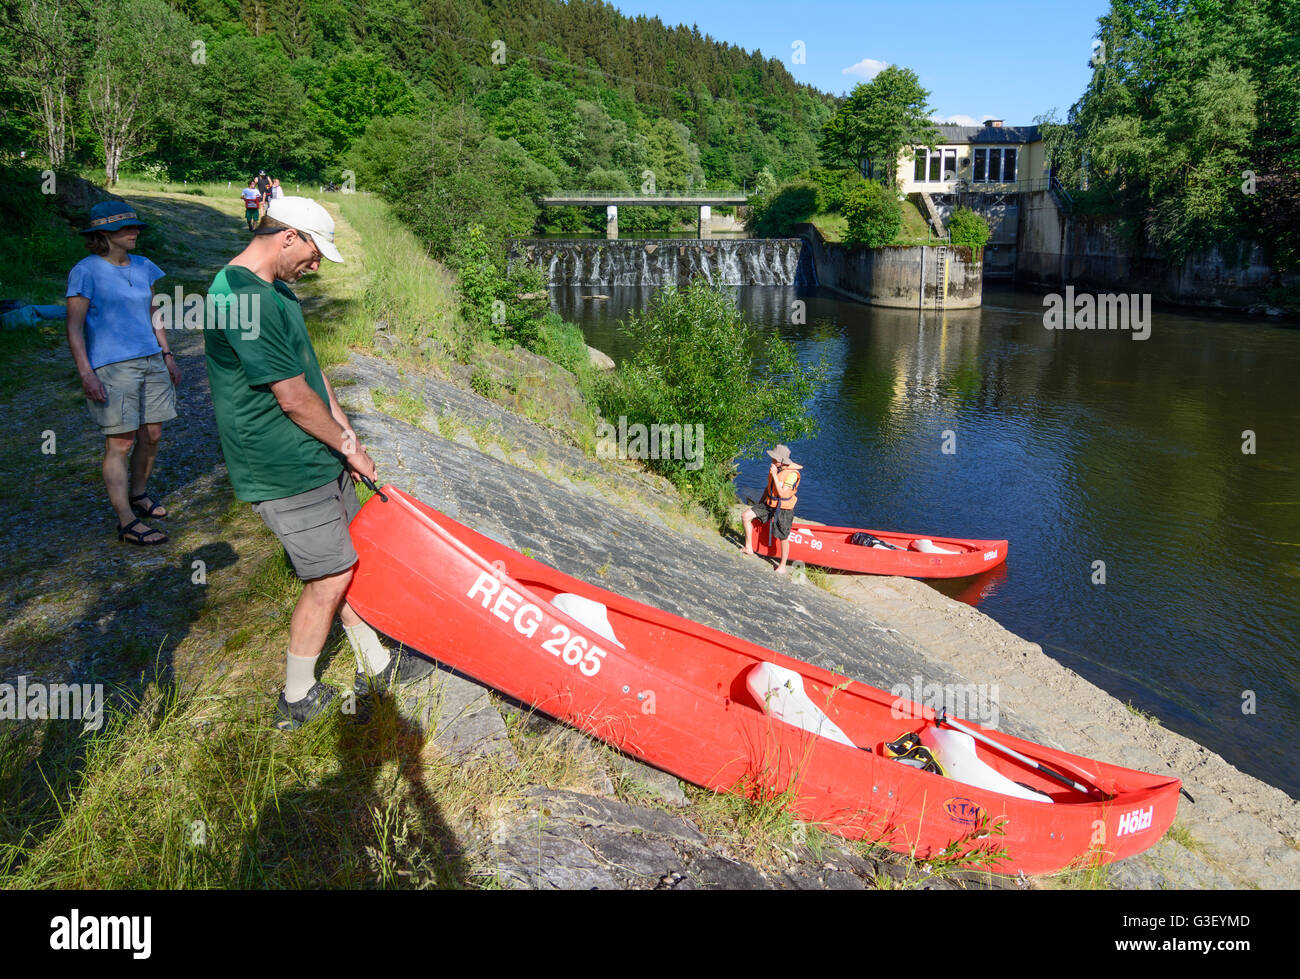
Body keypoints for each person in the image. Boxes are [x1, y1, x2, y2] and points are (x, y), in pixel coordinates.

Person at [204, 196, 433, 730]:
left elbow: (312, 375)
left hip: (314, 452)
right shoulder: (240, 299)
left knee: (346, 558)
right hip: (280, 463)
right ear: (288, 236)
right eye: (314, 252)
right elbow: (292, 398)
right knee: (329, 576)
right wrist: (347, 446)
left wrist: (346, 440)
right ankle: (297, 696)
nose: (317, 265)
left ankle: (375, 662)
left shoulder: (275, 291)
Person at [66, 201, 182, 546]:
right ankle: (126, 521)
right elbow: (73, 327)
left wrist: (168, 354)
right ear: (104, 234)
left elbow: (153, 314)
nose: (135, 233)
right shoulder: (85, 271)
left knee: (154, 433)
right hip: (112, 366)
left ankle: (139, 494)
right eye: (127, 229)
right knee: (121, 441)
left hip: (152, 359)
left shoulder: (145, 266)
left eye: (137, 228)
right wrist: (86, 373)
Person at [741, 444, 803, 574]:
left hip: (784, 508)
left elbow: (782, 493)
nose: (772, 461)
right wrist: (760, 503)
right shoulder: (776, 469)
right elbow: (768, 488)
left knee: (783, 536)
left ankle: (783, 566)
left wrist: (774, 474)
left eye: (774, 459)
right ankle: (749, 547)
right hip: (769, 504)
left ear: (781, 461)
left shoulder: (792, 475)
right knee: (746, 516)